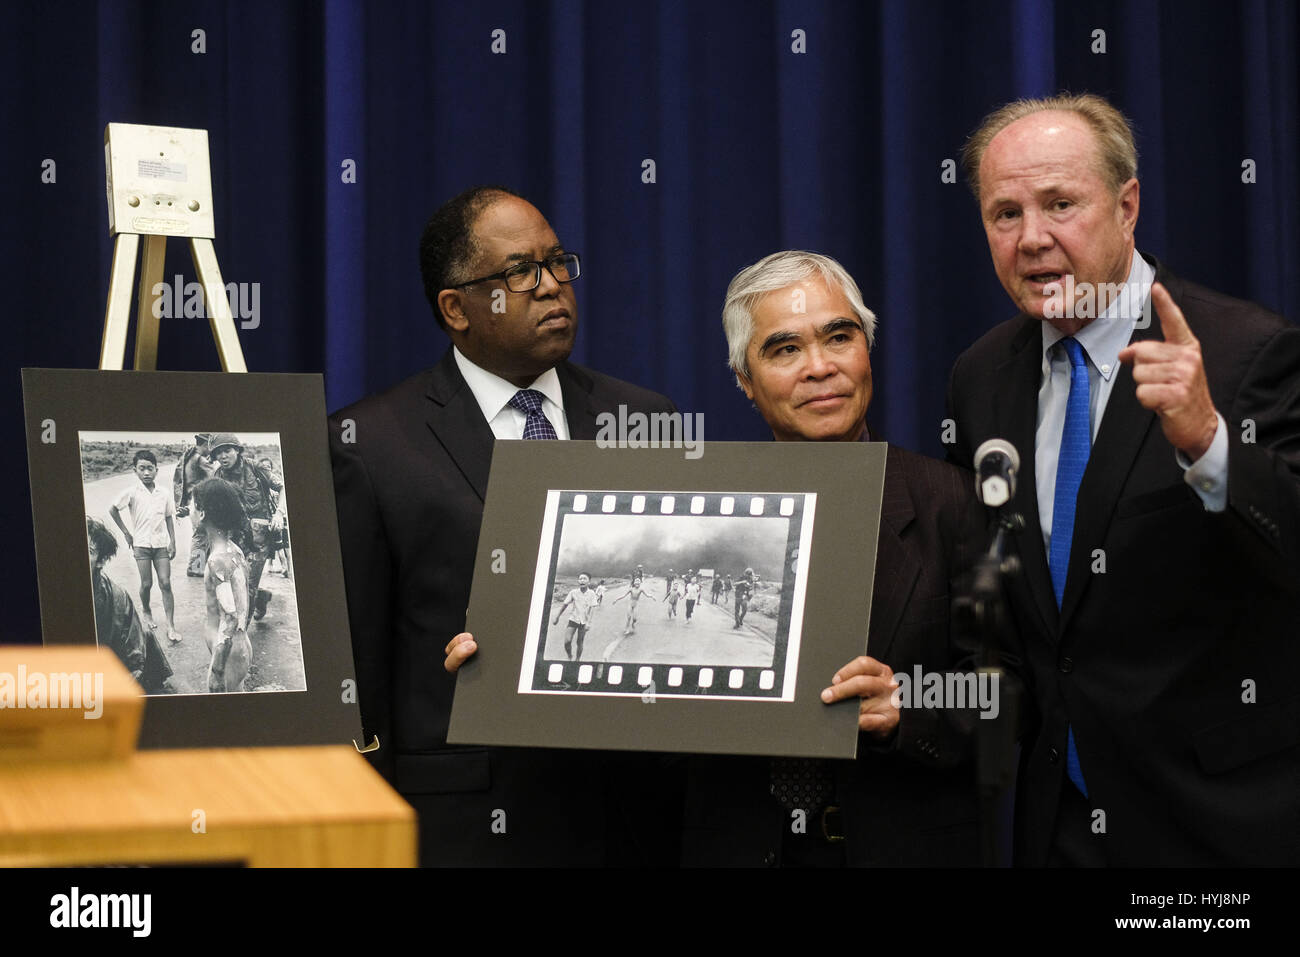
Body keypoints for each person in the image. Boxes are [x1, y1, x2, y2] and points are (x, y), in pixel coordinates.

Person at [450, 250, 994, 867]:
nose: (819, 367)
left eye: (839, 337)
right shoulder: (690, 505)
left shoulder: (953, 502)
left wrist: (909, 710)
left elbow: (1011, 694)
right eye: (784, 349)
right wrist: (508, 656)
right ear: (745, 378)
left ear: (867, 349)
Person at [948, 93, 1300, 866]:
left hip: (1215, 827)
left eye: (1060, 204)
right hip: (1059, 823)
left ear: (1127, 204)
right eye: (1004, 214)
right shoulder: (980, 379)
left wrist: (1210, 443)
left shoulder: (1245, 352)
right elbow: (997, 605)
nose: (1031, 238)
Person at [330, 185, 678, 867]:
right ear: (455, 307)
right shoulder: (367, 444)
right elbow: (358, 675)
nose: (552, 288)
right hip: (467, 822)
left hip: (631, 812)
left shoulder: (643, 416)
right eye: (520, 272)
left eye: (558, 264)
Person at [87, 517, 172, 693]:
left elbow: (134, 659)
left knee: (145, 637)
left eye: (87, 550)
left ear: (101, 561)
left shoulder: (117, 598)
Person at [108, 449, 180, 643]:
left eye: (150, 468)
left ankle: (171, 626)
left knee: (165, 583)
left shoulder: (163, 493)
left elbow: (168, 517)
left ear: (156, 470)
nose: (146, 472)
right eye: (142, 469)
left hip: (160, 545)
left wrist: (173, 541)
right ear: (135, 471)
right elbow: (113, 509)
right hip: (141, 545)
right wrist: (126, 533)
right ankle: (146, 610)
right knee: (146, 584)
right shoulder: (131, 493)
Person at [210, 433, 282, 622]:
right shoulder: (217, 475)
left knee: (246, 587)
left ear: (237, 451)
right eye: (218, 453)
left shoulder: (255, 468)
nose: (223, 456)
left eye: (227, 451)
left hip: (258, 540)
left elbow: (283, 487)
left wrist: (279, 514)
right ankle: (261, 598)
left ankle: (241, 636)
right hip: (233, 538)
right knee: (234, 583)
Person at [192, 478, 253, 693]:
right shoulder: (233, 549)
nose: (191, 512)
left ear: (203, 513)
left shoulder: (217, 560)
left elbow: (230, 619)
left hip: (228, 656)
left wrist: (217, 672)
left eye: (194, 506)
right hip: (238, 648)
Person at [173, 432, 217, 577]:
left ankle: (198, 566)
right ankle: (195, 568)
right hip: (199, 501)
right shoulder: (199, 459)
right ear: (205, 444)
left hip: (193, 501)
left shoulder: (188, 456)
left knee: (199, 533)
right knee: (201, 534)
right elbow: (215, 475)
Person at [553, 573, 598, 661]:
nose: (582, 580)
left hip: (584, 622)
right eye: (580, 579)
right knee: (567, 641)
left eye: (584, 579)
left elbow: (593, 608)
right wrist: (557, 616)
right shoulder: (573, 592)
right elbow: (565, 604)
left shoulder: (592, 593)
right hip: (573, 620)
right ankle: (569, 655)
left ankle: (577, 659)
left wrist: (589, 623)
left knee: (579, 642)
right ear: (578, 581)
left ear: (589, 582)